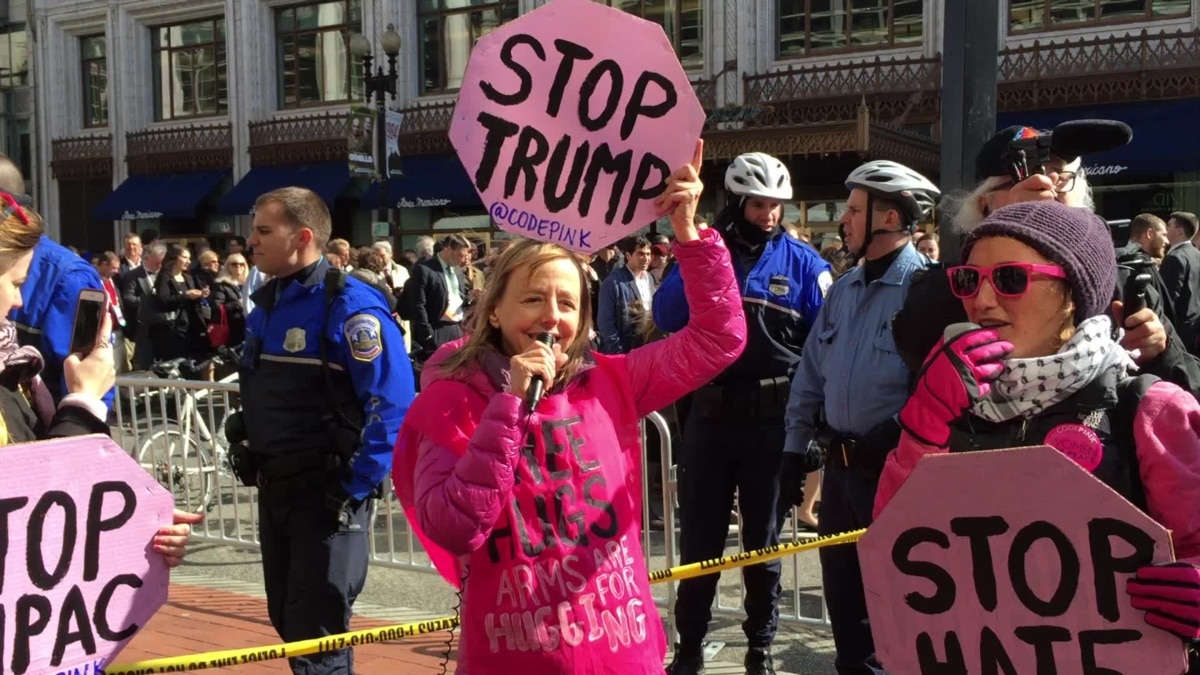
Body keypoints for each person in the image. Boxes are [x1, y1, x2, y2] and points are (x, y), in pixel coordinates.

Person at [392, 141, 747, 674]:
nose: (551, 316)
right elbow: (452, 525)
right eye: (533, 299)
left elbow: (719, 338)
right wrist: (509, 405)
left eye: (567, 304)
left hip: (622, 655)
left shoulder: (614, 381)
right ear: (494, 312)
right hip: (513, 660)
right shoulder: (453, 394)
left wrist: (690, 234)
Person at [874, 200, 1200, 675]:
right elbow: (898, 547)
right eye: (969, 280)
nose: (982, 301)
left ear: (1073, 292)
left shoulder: (1149, 407)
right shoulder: (951, 396)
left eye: (1009, 279)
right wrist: (924, 423)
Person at [655, 151, 832, 675]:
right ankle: (688, 651)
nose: (770, 214)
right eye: (759, 204)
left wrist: (814, 430)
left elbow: (823, 350)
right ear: (735, 203)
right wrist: (692, 252)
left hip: (772, 425)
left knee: (762, 545)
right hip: (709, 422)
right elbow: (666, 315)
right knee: (701, 543)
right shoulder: (703, 251)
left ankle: (761, 649)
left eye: (777, 205)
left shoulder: (807, 265)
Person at [236, 186, 414, 675]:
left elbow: (394, 405)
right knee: (290, 624)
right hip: (276, 493)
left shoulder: (350, 306)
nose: (250, 240)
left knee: (319, 639)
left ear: (304, 237)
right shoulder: (265, 304)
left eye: (264, 230)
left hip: (327, 498)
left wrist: (352, 488)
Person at [893, 121, 1200, 395]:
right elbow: (915, 347)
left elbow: (1189, 395)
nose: (1048, 190)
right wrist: (1011, 225)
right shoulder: (957, 282)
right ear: (984, 203)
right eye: (1021, 179)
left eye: (1061, 178)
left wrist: (1161, 352)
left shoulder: (1123, 280)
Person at [782, 159, 941, 675]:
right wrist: (792, 448)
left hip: (895, 475)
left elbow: (941, 385)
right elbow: (810, 372)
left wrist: (897, 433)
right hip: (841, 474)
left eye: (853, 210)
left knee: (894, 612)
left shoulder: (926, 291)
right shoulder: (844, 290)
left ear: (890, 218)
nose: (842, 220)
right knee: (845, 611)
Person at [0, 192, 202, 564]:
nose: (18, 303)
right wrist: (83, 403)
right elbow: (25, 508)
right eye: (15, 283)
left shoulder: (14, 366)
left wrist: (125, 518)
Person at [153, 244, 213, 372]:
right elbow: (163, 300)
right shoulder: (164, 277)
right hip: (174, 328)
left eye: (189, 258)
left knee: (191, 363)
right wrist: (185, 295)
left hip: (191, 326)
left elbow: (194, 298)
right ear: (175, 258)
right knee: (176, 363)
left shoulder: (188, 277)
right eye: (185, 257)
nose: (188, 261)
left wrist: (202, 294)